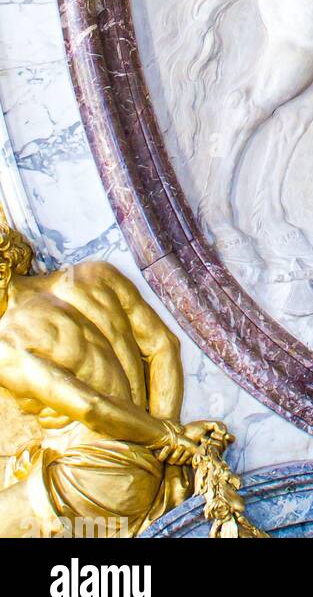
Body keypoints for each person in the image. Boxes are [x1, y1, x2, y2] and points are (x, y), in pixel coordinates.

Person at [0, 225, 224, 537]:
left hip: (90, 482)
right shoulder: (94, 276)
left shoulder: (8, 345)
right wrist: (163, 441)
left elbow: (91, 407)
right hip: (140, 467)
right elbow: (162, 347)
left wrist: (169, 439)